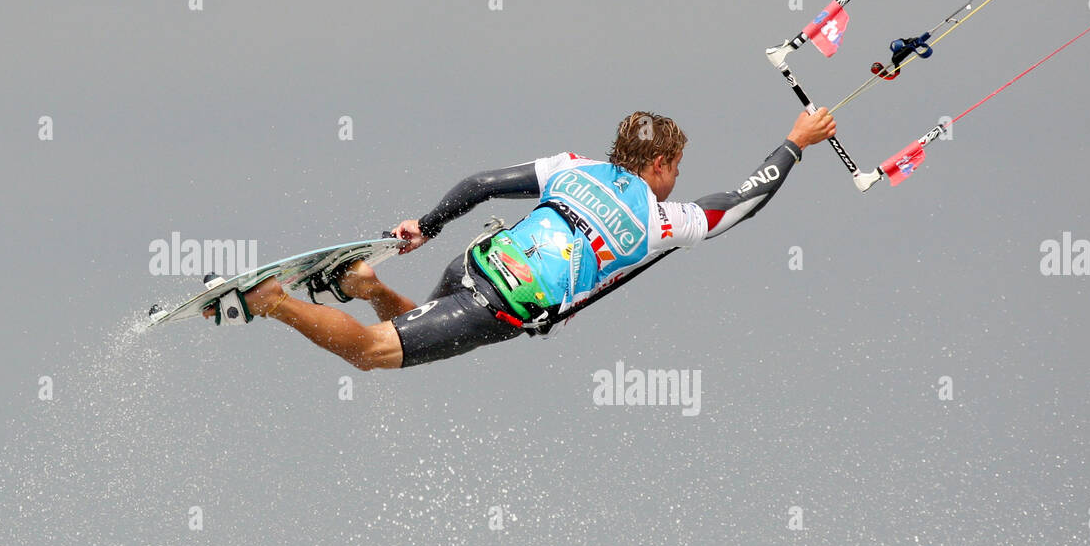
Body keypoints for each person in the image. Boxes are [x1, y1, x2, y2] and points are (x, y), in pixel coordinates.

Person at [229, 108, 836, 370]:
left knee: (418, 326)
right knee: (367, 354)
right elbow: (742, 204)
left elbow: (482, 183)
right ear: (659, 164)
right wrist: (795, 143)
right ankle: (273, 300)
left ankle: (364, 284)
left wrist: (427, 224)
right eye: (675, 167)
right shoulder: (661, 221)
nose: (678, 179)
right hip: (502, 303)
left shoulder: (574, 167)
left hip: (476, 262)